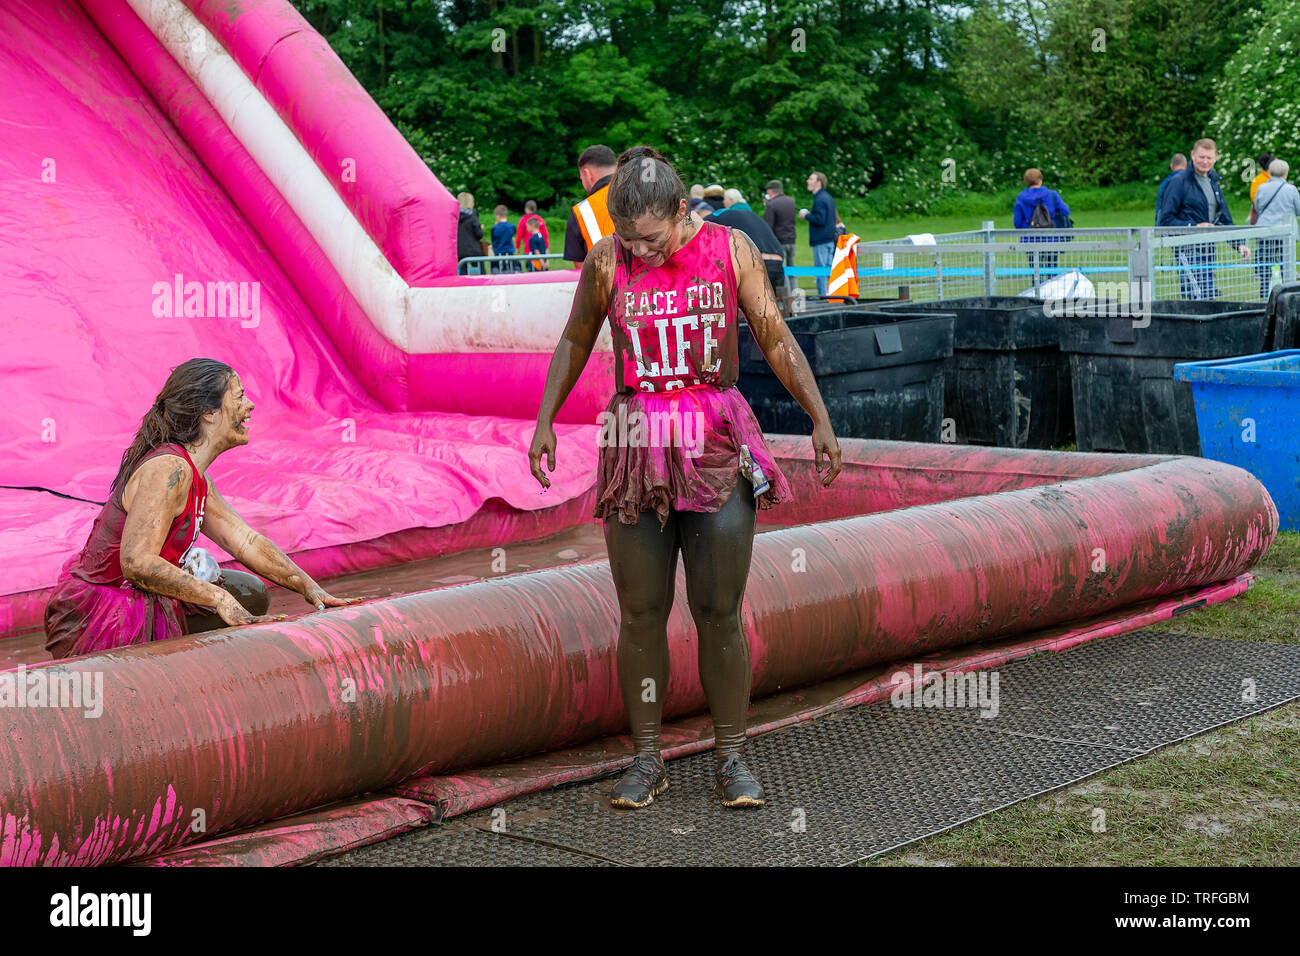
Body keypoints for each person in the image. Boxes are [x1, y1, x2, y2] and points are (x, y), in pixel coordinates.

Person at [527, 145, 842, 810]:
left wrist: (819, 416)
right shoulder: (607, 260)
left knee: (717, 611)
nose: (638, 252)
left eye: (649, 239)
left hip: (713, 434)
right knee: (641, 613)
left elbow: (775, 335)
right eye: (627, 239)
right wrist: (546, 419)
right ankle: (647, 760)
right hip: (637, 435)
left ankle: (730, 757)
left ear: (680, 211)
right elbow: (576, 339)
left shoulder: (731, 250)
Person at [43, 359, 357, 659]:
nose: (250, 406)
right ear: (209, 412)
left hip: (144, 597)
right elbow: (136, 562)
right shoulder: (169, 469)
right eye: (240, 397)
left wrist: (309, 587)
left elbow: (245, 541)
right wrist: (217, 597)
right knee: (231, 596)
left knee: (250, 593)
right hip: (103, 615)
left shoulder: (197, 476)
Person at [1157, 138, 1251, 299]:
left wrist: (1239, 243)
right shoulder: (1179, 182)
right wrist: (1193, 226)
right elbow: (1165, 220)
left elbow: (1224, 218)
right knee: (1200, 297)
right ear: (1192, 155)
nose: (1205, 161)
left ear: (1216, 158)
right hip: (1187, 249)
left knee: (1207, 297)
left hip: (1208, 249)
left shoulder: (1213, 182)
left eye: (1209, 157)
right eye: (1201, 157)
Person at [711, 188, 788, 293]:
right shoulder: (752, 214)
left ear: (730, 200)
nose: (723, 202)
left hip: (757, 262)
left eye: (724, 199)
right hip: (777, 260)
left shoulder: (723, 214)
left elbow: (701, 222)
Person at [1252, 158, 1300, 298]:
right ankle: (1286, 293)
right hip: (1285, 233)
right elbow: (1298, 210)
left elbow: (1258, 207)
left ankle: (1263, 292)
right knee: (1286, 263)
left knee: (1265, 262)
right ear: (1285, 173)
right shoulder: (1291, 189)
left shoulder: (1261, 187)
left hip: (1266, 230)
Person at [563, 145, 618, 266]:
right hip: (654, 283)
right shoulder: (647, 195)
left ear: (587, 174)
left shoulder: (582, 212)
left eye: (581, 178)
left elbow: (580, 271)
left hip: (606, 283)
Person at [1013, 168, 1070, 274]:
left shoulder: (1021, 198)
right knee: (1052, 272)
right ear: (1040, 180)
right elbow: (1065, 211)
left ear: (1026, 181)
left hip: (1029, 239)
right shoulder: (1052, 195)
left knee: (1035, 272)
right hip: (1051, 237)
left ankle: (1036, 289)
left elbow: (1017, 222)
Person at [798, 172, 837, 296]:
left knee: (821, 272)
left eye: (811, 179)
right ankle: (833, 295)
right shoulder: (827, 197)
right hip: (829, 238)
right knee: (829, 270)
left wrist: (806, 215)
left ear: (818, 183)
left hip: (821, 240)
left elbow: (820, 219)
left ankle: (823, 297)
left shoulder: (819, 199)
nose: (807, 181)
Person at [764, 179, 798, 295]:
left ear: (770, 191)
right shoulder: (791, 202)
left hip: (779, 241)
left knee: (783, 271)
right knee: (792, 270)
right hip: (792, 239)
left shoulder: (771, 204)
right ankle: (795, 293)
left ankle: (788, 297)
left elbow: (768, 226)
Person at [456, 191, 484, 275]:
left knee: (463, 275)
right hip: (473, 250)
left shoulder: (455, 217)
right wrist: (481, 229)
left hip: (460, 250)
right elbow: (479, 234)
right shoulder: (473, 216)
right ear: (471, 203)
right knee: (481, 274)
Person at [1155, 153, 1187, 224]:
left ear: (1171, 166)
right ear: (1186, 165)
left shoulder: (1166, 181)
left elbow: (1159, 206)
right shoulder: (1191, 181)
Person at [491, 204, 517, 273]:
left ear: (497, 215)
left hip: (498, 252)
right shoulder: (512, 226)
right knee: (510, 270)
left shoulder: (494, 228)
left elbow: (493, 241)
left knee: (500, 272)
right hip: (510, 252)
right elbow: (512, 238)